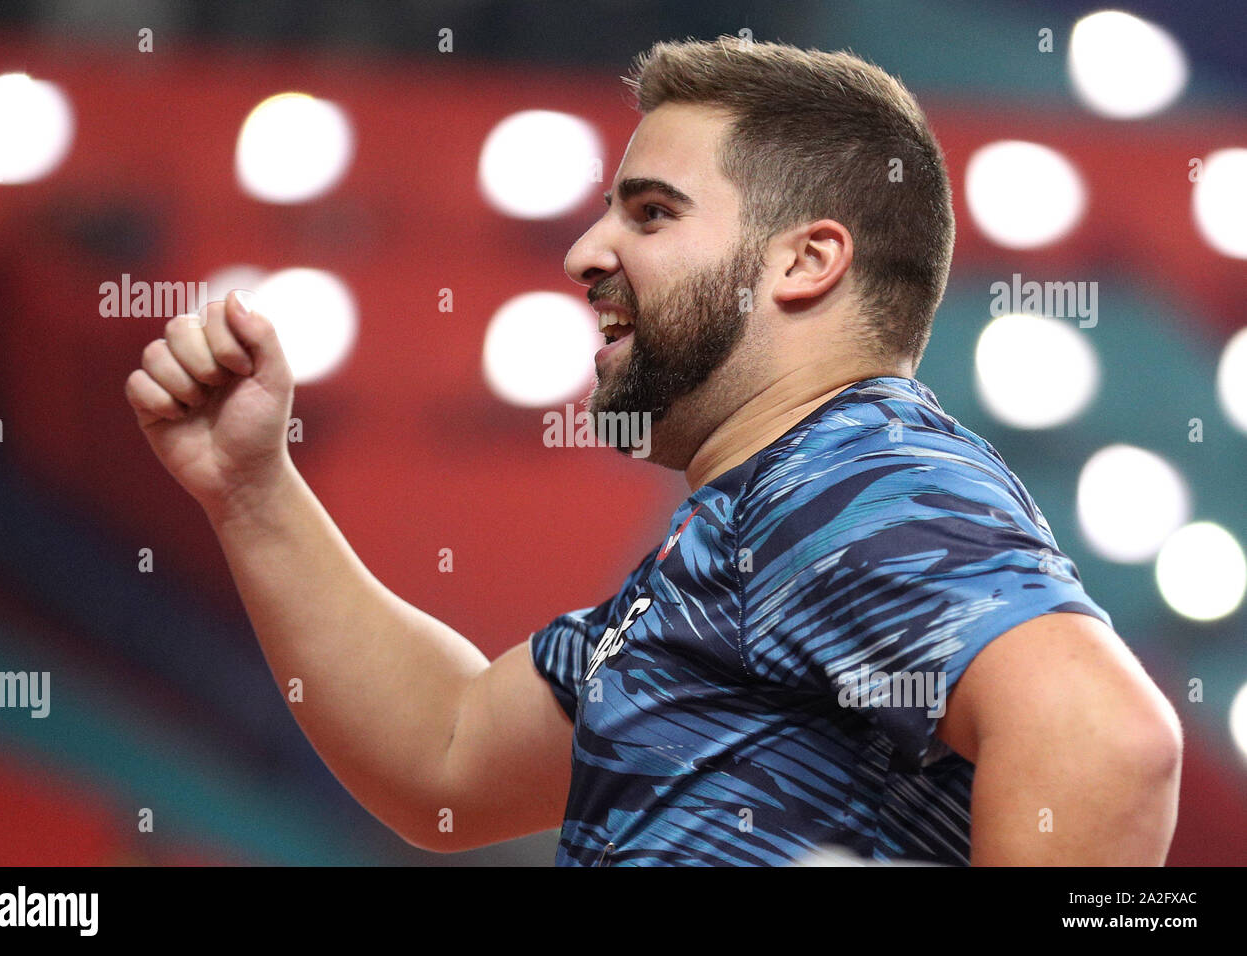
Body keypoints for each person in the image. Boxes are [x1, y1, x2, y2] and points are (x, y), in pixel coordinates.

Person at [125, 36, 1182, 866]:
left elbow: (1109, 741)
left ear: (805, 261)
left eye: (651, 213)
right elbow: (443, 758)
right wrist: (253, 489)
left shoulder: (851, 479)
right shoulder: (752, 531)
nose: (588, 252)